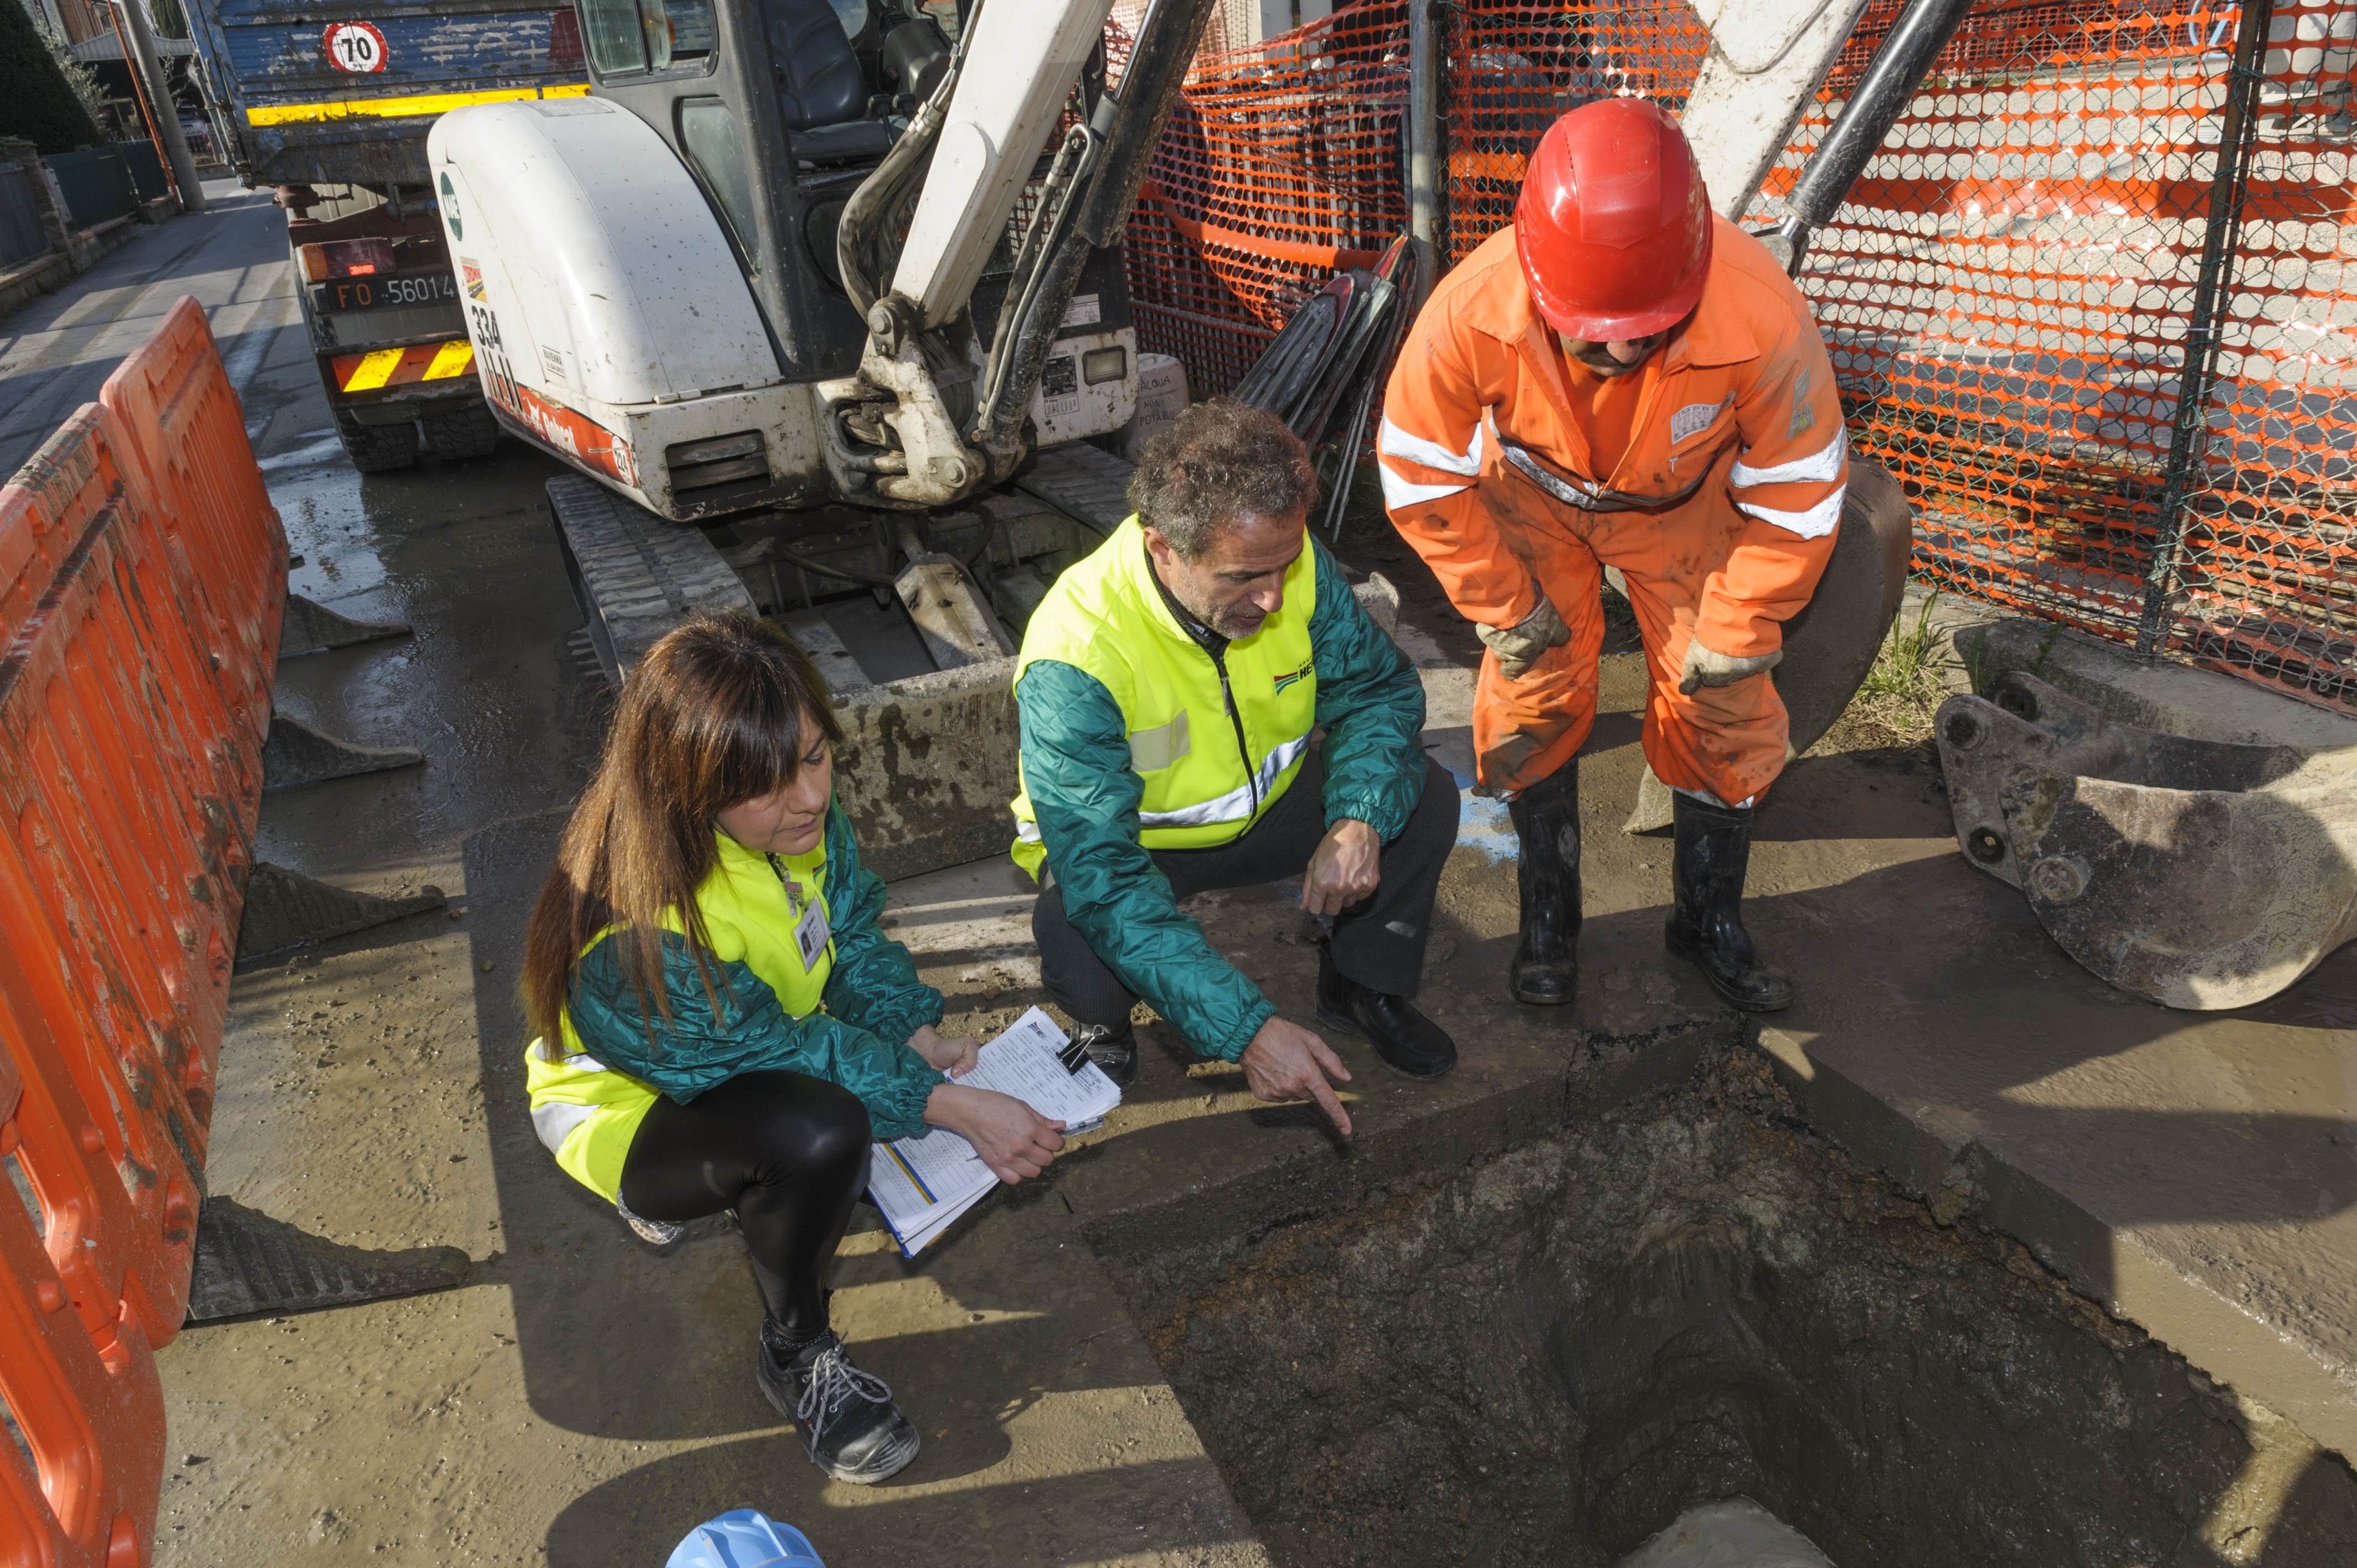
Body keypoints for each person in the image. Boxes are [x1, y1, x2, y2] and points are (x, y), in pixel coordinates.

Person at [517, 611, 1065, 1486]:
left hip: (751, 1051)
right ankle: (797, 1351)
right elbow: (776, 1054)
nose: (810, 795)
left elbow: (845, 932)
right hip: (625, 1104)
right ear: (687, 789)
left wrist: (910, 1033)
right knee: (818, 1136)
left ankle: (764, 1189)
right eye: (767, 783)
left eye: (814, 755)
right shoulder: (639, 929)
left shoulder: (796, 820)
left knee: (835, 1122)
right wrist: (950, 1105)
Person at [1377, 98, 1849, 1015]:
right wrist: (1503, 602)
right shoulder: (1470, 312)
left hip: (1681, 508)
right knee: (1531, 693)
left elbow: (1802, 487)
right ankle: (1549, 922)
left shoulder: (1762, 316)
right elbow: (1417, 473)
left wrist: (1745, 617)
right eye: (1596, 331)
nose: (1625, 347)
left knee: (1727, 701)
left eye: (1649, 325)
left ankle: (1706, 921)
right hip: (1533, 504)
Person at [1010, 397, 1461, 1126]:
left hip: (1270, 804)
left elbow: (1376, 690)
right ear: (1163, 548)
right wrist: (1247, 1030)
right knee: (1078, 918)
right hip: (1143, 847)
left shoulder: (1291, 562)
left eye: (1285, 564)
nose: (1274, 595)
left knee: (1423, 799)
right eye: (1244, 576)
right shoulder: (1077, 654)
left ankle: (1360, 986)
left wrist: (1356, 820)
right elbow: (1106, 875)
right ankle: (1102, 1023)